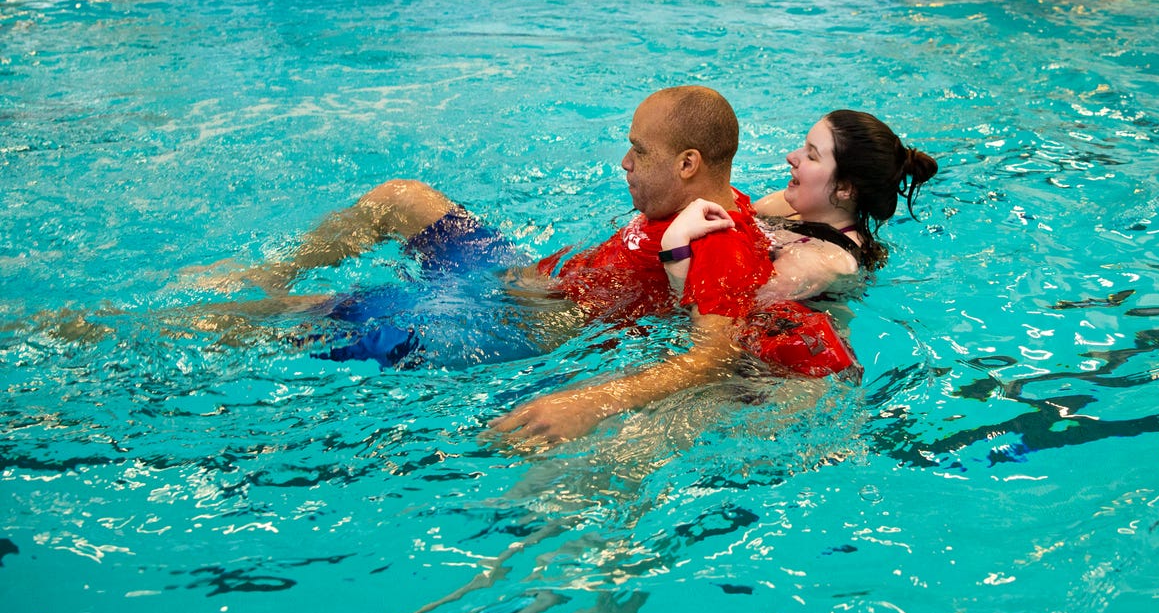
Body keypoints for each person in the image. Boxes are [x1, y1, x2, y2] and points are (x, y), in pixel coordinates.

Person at [194, 86, 773, 443]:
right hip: (505, 276)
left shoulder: (719, 244)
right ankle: (268, 273)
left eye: (639, 151)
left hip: (498, 329)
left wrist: (589, 400)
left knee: (303, 316)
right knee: (400, 198)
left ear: (689, 162)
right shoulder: (705, 204)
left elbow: (711, 357)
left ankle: (131, 331)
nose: (624, 161)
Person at [659, 109, 939, 305]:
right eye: (802, 147)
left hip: (773, 381)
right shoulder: (794, 205)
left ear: (844, 188)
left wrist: (674, 248)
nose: (791, 157)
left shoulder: (820, 263)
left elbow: (720, 316)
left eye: (812, 156)